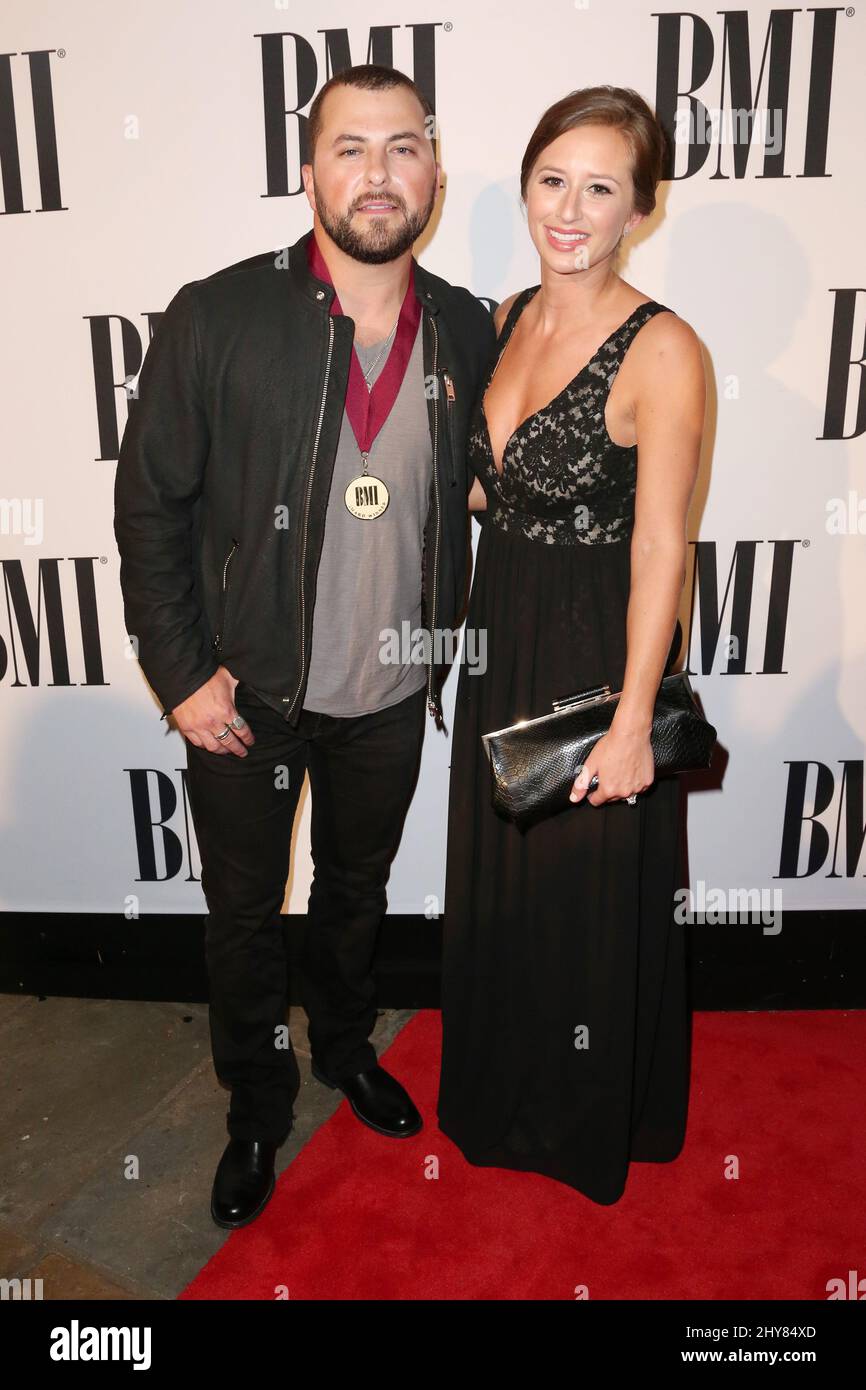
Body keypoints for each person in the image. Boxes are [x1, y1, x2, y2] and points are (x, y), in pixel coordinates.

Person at [113, 63, 495, 1228]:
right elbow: (149, 507)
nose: (376, 176)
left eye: (400, 149)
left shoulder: (471, 328)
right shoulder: (218, 313)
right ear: (306, 168)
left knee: (356, 889)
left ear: (432, 167)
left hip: (388, 690)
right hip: (245, 692)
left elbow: (487, 487)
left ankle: (340, 1047)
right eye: (349, 148)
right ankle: (255, 1105)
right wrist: (181, 674)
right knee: (240, 914)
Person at [437, 86, 707, 1205]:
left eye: (600, 188)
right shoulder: (504, 315)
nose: (569, 208)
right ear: (525, 184)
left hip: (598, 648)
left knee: (582, 896)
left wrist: (635, 718)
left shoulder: (664, 349)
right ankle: (501, 1089)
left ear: (638, 210)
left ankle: (586, 1115)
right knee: (504, 889)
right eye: (552, 179)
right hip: (504, 630)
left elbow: (662, 549)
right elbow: (476, 489)